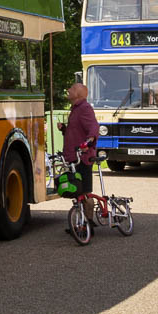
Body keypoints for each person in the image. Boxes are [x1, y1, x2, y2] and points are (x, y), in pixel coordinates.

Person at [59, 83, 100, 220]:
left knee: (86, 192)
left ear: (79, 93)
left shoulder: (85, 108)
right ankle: (80, 224)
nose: (68, 90)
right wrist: (64, 129)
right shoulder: (75, 109)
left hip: (82, 157)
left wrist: (89, 141)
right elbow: (76, 132)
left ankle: (89, 222)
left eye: (71, 88)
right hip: (72, 157)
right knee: (76, 190)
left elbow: (93, 127)